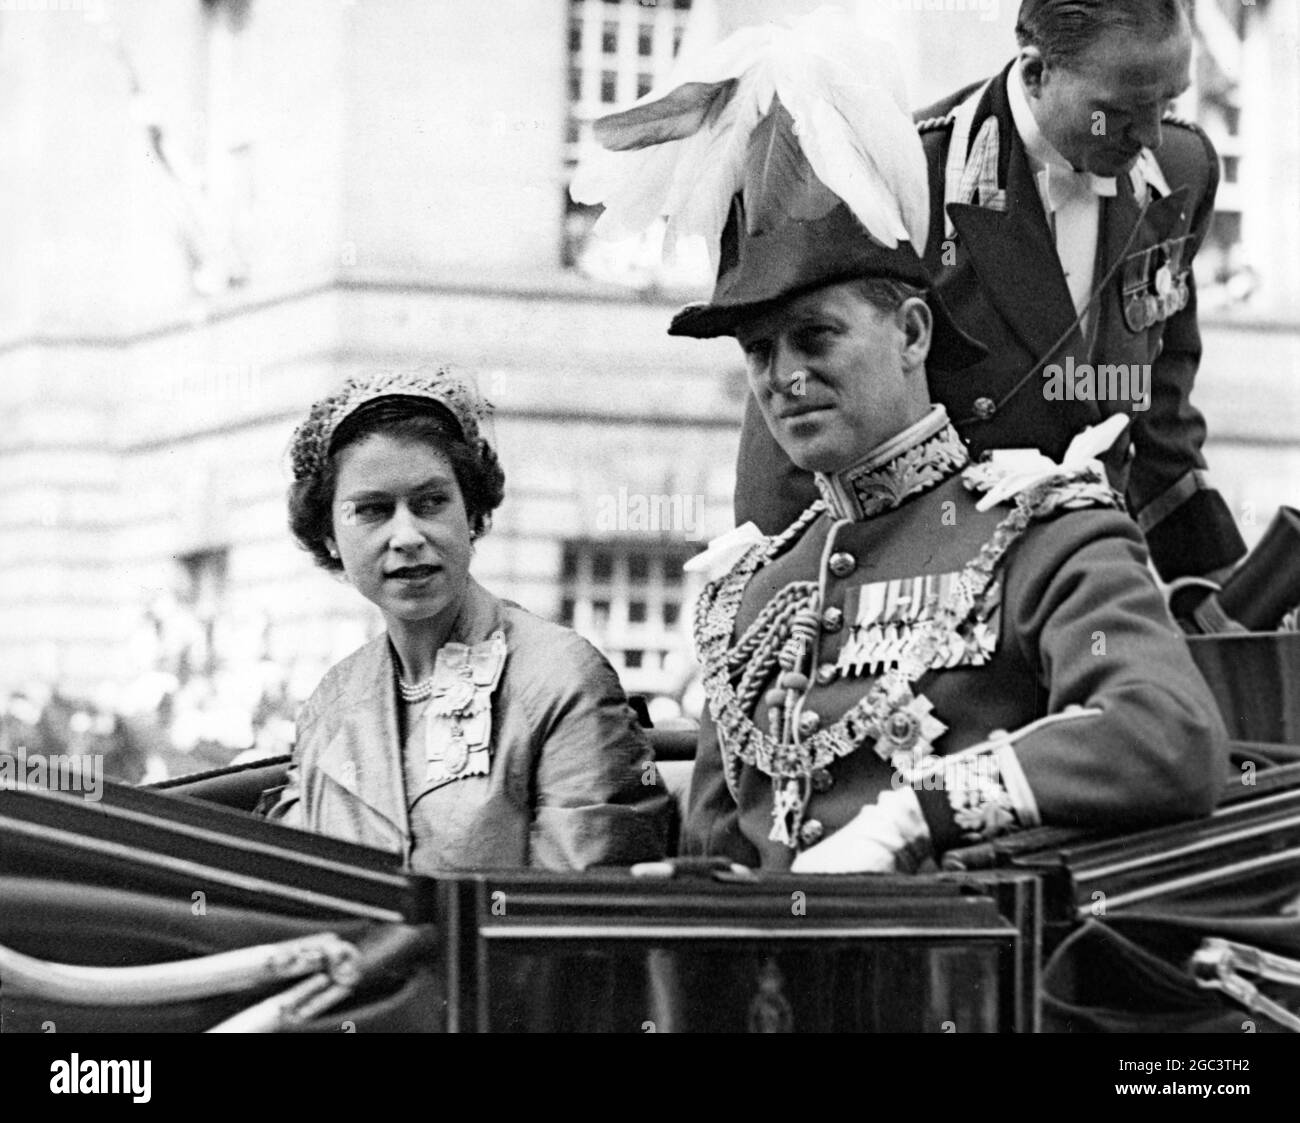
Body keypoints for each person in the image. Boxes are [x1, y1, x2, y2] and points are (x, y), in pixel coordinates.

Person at [576, 13, 1229, 872]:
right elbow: (720, 849)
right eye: (760, 351)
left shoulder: (1050, 541)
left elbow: (1164, 732)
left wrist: (918, 815)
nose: (782, 379)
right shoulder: (752, 600)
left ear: (916, 332)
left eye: (816, 338)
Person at [732, 0, 1246, 587]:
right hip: (931, 603)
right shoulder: (900, 179)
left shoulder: (1181, 168)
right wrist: (791, 621)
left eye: (1168, 102)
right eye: (1120, 112)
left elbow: (1159, 418)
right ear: (1035, 73)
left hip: (1091, 587)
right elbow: (795, 442)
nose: (1149, 135)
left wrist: (1220, 592)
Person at [263, 369, 671, 872]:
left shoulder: (561, 679)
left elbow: (577, 913)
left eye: (431, 502)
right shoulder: (331, 703)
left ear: (471, 513)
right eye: (372, 510)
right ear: (329, 536)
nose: (407, 535)